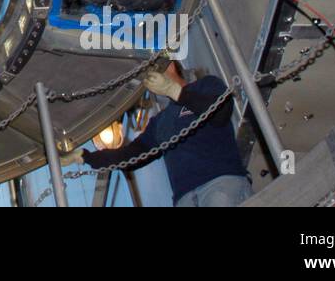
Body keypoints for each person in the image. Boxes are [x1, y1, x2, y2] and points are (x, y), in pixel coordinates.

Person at [64, 62, 251, 206]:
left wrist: (175, 91)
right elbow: (131, 156)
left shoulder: (205, 86)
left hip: (220, 184)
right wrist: (85, 157)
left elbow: (221, 114)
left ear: (170, 65)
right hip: (185, 198)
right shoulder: (160, 122)